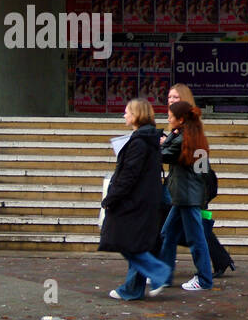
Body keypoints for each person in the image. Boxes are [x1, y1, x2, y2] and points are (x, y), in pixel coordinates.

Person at [99, 99, 172, 300]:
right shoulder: (148, 139)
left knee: (124, 241)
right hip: (145, 200)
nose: (124, 115)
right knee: (135, 242)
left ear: (136, 115)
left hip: (133, 201)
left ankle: (158, 272)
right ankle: (134, 288)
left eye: (127, 112)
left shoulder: (139, 142)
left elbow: (129, 174)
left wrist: (111, 198)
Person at [166, 84, 235, 277]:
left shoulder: (192, 130)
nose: (171, 101)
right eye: (170, 97)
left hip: (190, 188)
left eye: (176, 98)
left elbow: (201, 163)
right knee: (174, 230)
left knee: (192, 230)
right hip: (179, 185)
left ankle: (210, 267)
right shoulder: (176, 128)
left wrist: (200, 191)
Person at [157, 99, 215, 291]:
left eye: (170, 116)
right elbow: (202, 170)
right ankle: (164, 276)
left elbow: (164, 155)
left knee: (196, 238)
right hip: (187, 195)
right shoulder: (194, 137)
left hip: (186, 196)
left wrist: (162, 142)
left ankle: (204, 279)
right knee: (168, 234)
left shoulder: (182, 139)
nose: (167, 119)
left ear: (180, 119)